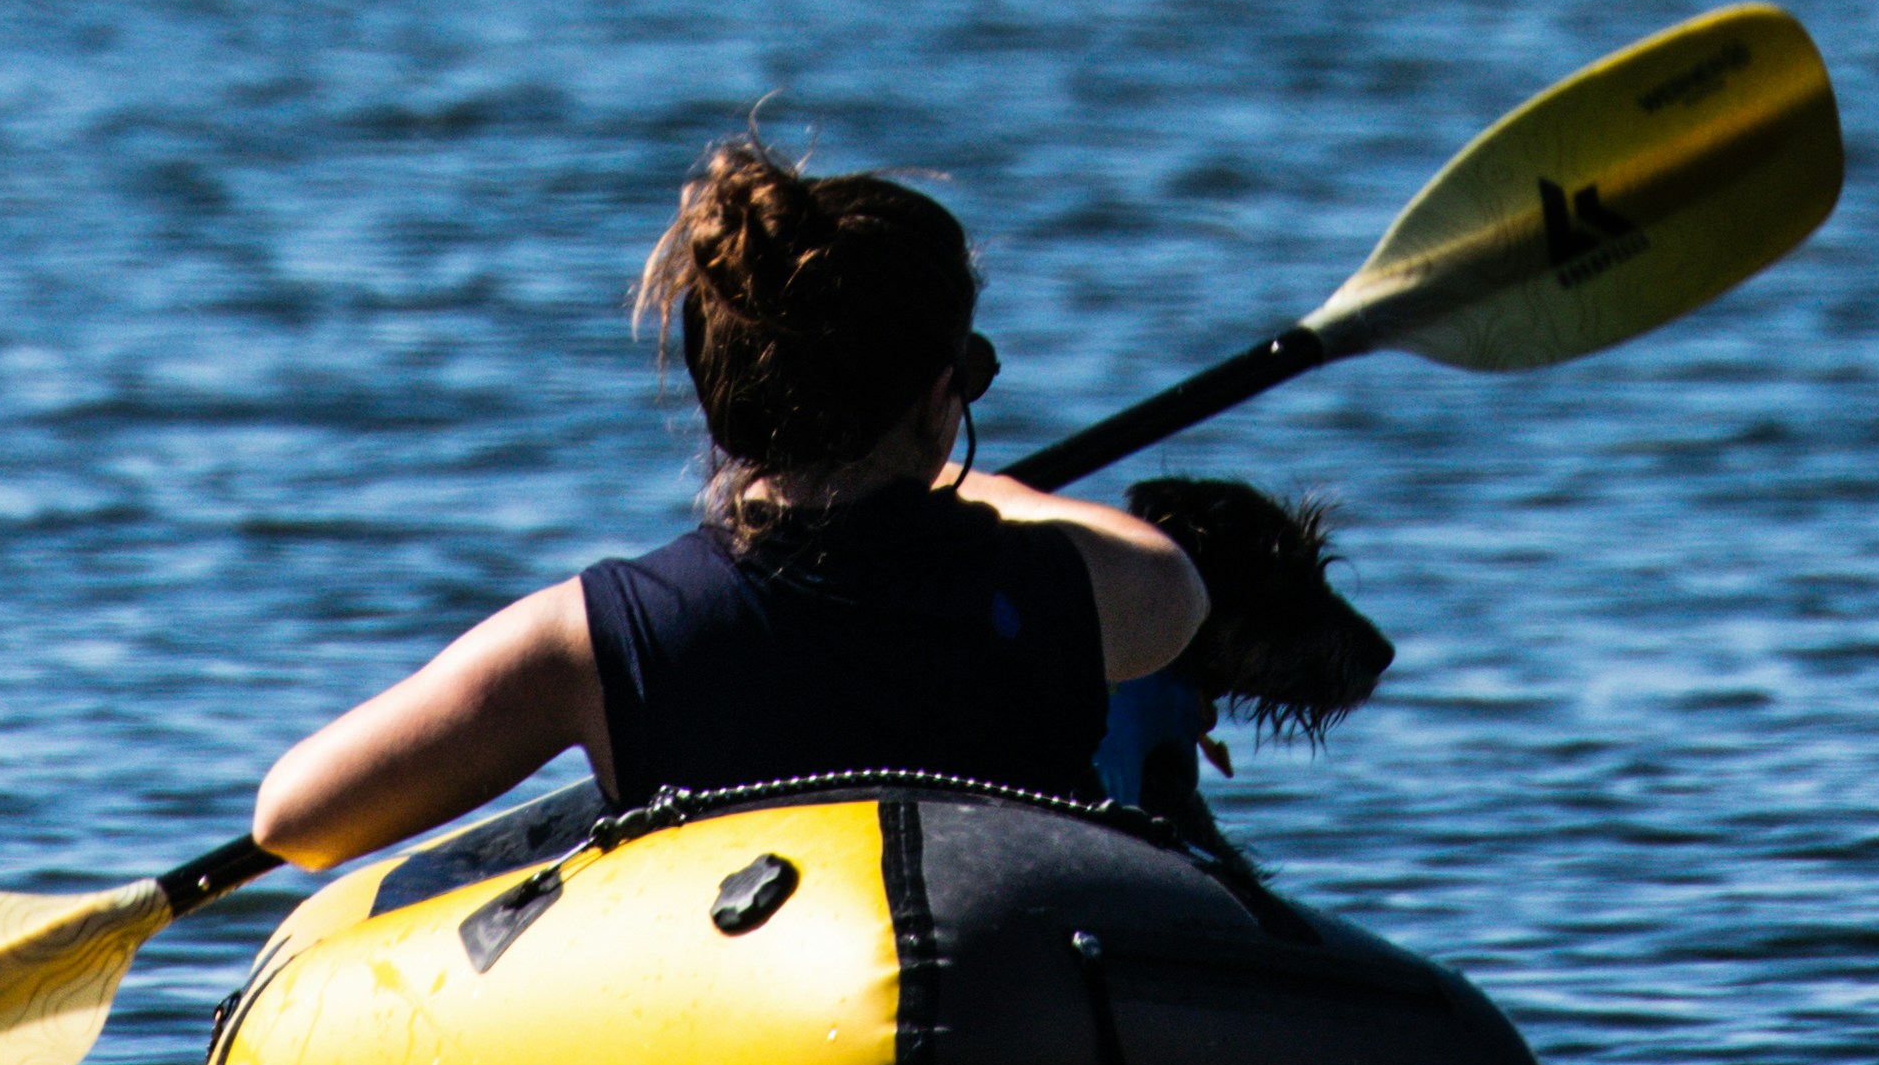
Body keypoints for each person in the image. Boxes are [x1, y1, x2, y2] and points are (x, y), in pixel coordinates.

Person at [249, 130, 1210, 866]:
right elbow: (1175, 593)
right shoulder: (1059, 585)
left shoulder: (597, 637)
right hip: (1021, 1012)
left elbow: (294, 817)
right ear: (933, 403)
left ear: (720, 405)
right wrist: (989, 488)